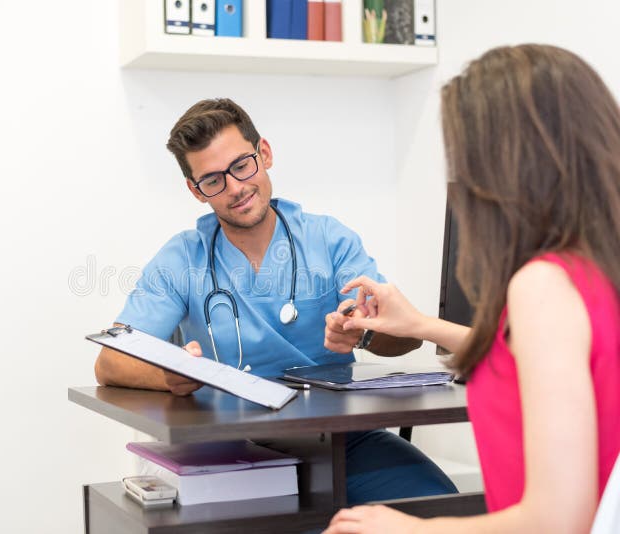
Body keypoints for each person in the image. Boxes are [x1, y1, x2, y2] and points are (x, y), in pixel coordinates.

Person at [94, 97, 457, 504]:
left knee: (439, 507)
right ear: (196, 191)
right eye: (213, 181)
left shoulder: (328, 240)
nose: (235, 188)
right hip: (230, 448)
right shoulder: (181, 259)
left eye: (241, 165)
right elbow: (110, 361)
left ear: (263, 153)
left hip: (341, 441)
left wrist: (363, 334)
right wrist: (168, 375)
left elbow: (406, 336)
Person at [324, 44, 620, 533]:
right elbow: (532, 354)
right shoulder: (592, 269)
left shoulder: (542, 285)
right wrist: (421, 325)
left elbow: (558, 520)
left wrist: (409, 529)